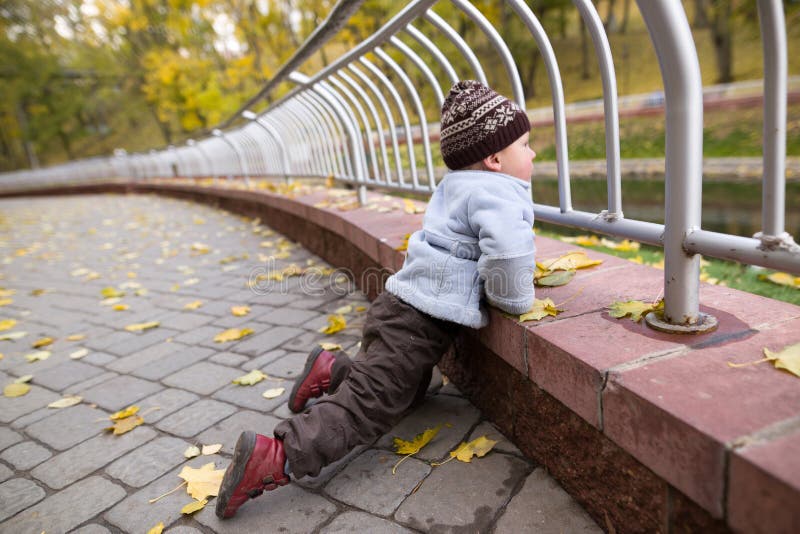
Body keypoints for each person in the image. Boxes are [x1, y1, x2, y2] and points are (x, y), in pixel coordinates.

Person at [216, 79, 537, 519]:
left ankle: (334, 371)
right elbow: (507, 259)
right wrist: (515, 301)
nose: (534, 154)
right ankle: (275, 457)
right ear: (495, 158)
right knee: (368, 405)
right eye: (526, 144)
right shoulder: (499, 193)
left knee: (404, 389)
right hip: (416, 327)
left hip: (398, 308)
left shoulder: (458, 185)